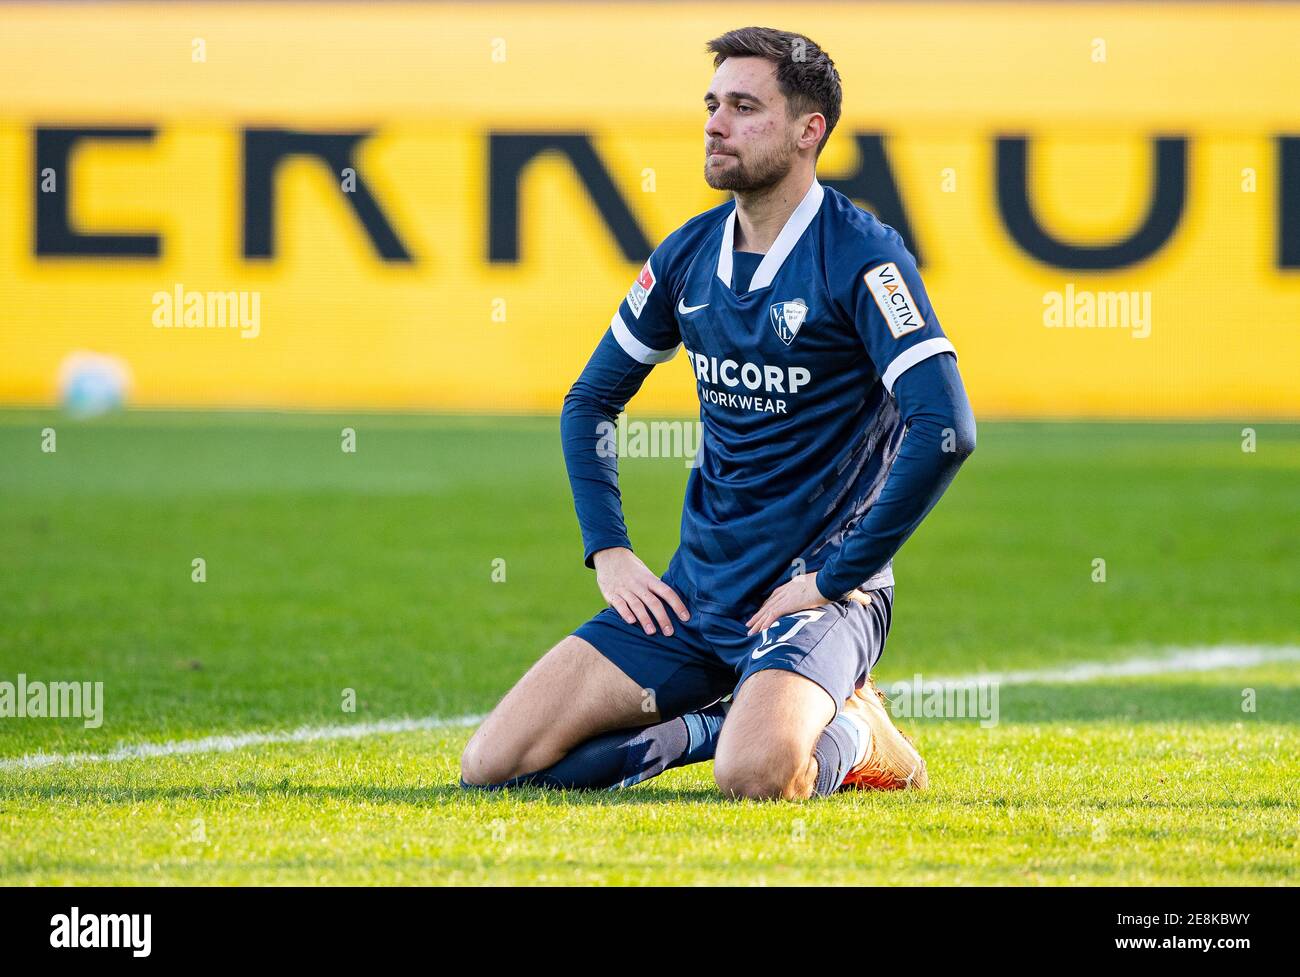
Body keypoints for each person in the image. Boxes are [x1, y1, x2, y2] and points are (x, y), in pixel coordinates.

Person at [461, 25, 975, 800]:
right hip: (697, 595)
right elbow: (589, 401)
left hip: (818, 598)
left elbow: (944, 426)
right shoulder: (686, 255)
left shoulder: (862, 256)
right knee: (495, 765)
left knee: (757, 775)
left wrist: (838, 577)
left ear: (810, 132)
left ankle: (856, 727)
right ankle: (715, 717)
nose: (715, 123)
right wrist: (610, 552)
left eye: (744, 106)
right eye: (712, 104)